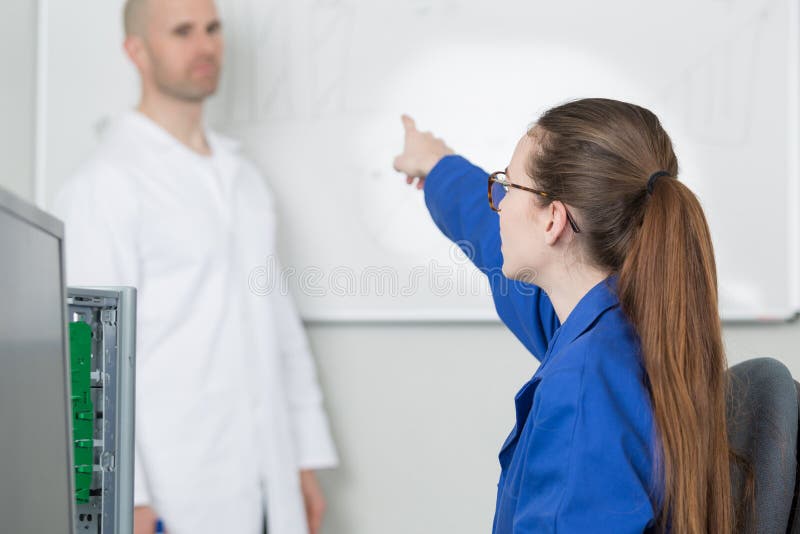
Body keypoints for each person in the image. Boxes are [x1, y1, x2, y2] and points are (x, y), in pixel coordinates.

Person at [53, 0, 337, 533]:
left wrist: (300, 459)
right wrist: (123, 498)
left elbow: (279, 330)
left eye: (212, 29)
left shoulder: (244, 180)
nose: (204, 46)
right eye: (182, 31)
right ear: (135, 50)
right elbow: (87, 360)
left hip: (264, 478)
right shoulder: (104, 187)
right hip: (174, 490)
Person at [393, 98, 734, 533]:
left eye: (509, 187)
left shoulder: (579, 393)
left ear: (553, 220)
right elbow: (483, 224)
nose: (498, 202)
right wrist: (437, 164)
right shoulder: (622, 326)